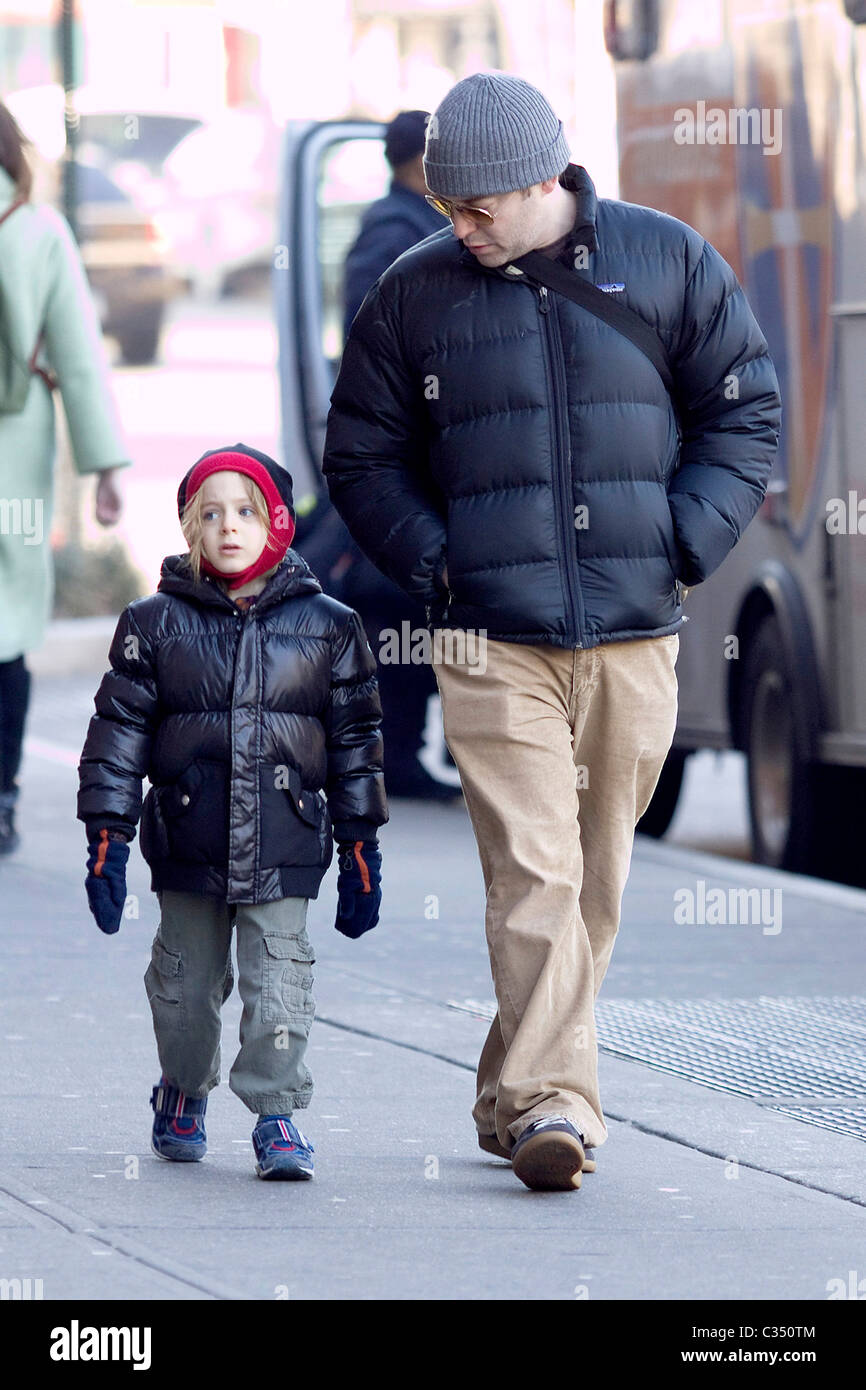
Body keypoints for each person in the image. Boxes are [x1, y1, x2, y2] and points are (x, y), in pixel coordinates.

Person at [323, 73, 781, 1192]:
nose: (459, 228)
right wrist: (441, 563)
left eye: (478, 208)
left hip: (633, 630)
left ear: (544, 180)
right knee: (532, 869)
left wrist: (677, 540)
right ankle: (551, 1107)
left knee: (595, 878)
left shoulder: (665, 259)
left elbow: (743, 407)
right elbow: (359, 456)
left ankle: (515, 1087)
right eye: (446, 208)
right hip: (489, 635)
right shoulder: (410, 293)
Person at [77, 444, 388, 1180]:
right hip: (188, 842)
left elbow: (355, 742)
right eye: (208, 513)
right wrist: (107, 839)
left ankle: (276, 1116)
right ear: (188, 526)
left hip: (284, 844)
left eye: (246, 512)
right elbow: (118, 735)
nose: (227, 527)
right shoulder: (152, 624)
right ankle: (181, 1089)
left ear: (277, 523)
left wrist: (361, 849)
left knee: (280, 987)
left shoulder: (328, 626)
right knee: (184, 989)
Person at [0, 101, 127, 855]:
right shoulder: (37, 227)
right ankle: (2, 798)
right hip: (14, 445)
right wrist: (105, 466)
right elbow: (78, 355)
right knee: (6, 626)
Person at [342, 109, 445, 342]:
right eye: (445, 153)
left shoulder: (428, 216)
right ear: (423, 162)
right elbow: (366, 326)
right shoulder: (391, 230)